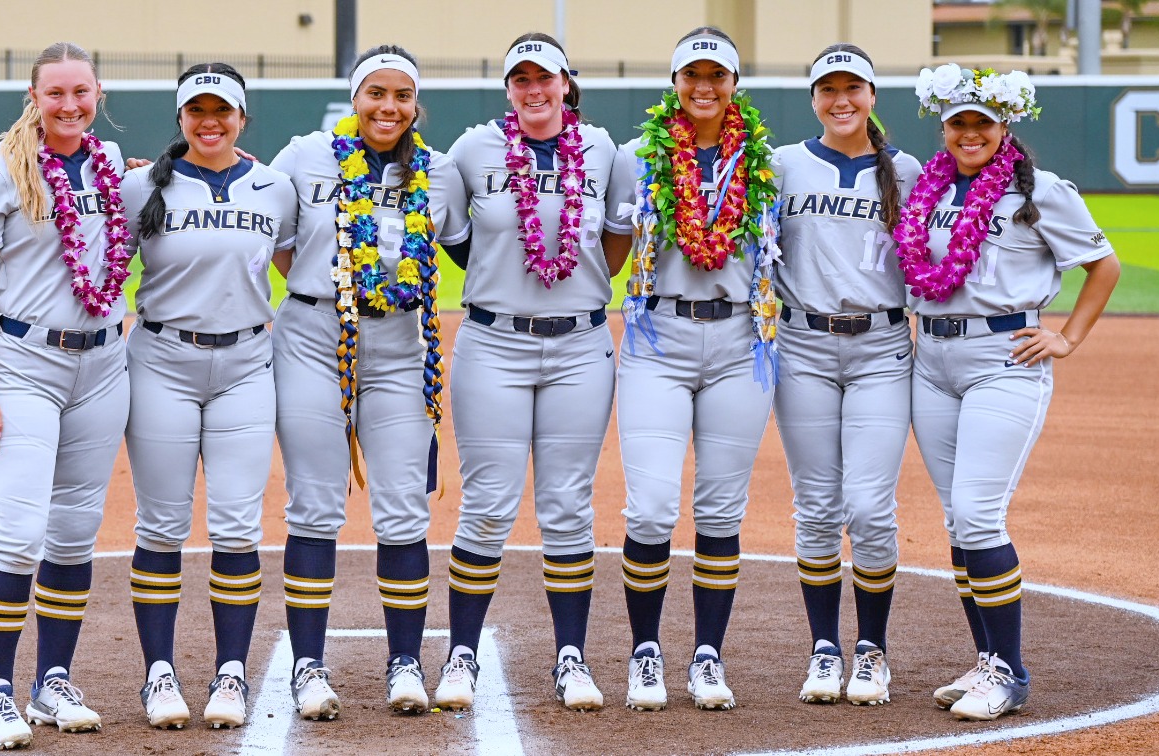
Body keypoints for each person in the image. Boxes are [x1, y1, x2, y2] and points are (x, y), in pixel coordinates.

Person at [898, 64, 1119, 720]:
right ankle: (987, 662)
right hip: (931, 358)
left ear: (1005, 126)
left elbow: (1103, 265)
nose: (970, 133)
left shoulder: (1041, 191)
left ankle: (1012, 673)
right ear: (944, 126)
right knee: (957, 521)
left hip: (1004, 356)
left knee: (977, 513)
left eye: (982, 123)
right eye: (959, 122)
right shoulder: (930, 189)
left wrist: (1068, 338)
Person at [267, 44, 469, 720]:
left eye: (402, 96)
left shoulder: (439, 173)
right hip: (313, 339)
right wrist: (331, 295)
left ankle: (405, 664)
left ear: (416, 105)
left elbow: (470, 243)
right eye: (375, 93)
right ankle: (308, 667)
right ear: (355, 98)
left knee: (404, 507)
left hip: (398, 345)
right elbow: (278, 239)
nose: (388, 107)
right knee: (315, 507)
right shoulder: (304, 156)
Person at [432, 32, 629, 714]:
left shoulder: (603, 150)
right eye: (521, 79)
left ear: (566, 83)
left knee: (568, 506)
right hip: (493, 343)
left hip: (579, 343)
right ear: (509, 87)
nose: (533, 89)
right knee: (487, 507)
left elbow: (615, 240)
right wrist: (506, 283)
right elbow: (457, 239)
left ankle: (571, 657)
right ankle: (462, 654)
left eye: (544, 78)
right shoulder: (471, 150)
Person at [0, 41, 130, 749]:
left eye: (81, 92)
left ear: (99, 94)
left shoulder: (116, 168)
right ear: (34, 97)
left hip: (102, 368)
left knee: (74, 533)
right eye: (54, 93)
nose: (69, 105)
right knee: (19, 534)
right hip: (24, 364)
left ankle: (51, 681)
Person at [119, 64, 297, 730]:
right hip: (161, 360)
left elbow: (294, 268)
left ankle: (231, 674)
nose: (210, 121)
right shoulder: (141, 184)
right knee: (161, 525)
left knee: (236, 526)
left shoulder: (276, 188)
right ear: (181, 118)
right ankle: (158, 674)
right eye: (196, 110)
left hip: (248, 364)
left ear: (242, 119)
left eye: (222, 110)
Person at [609, 26, 780, 712]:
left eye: (717, 76)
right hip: (658, 337)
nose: (704, 87)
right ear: (674, 83)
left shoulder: (769, 162)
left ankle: (708, 654)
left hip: (741, 339)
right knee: (650, 507)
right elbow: (608, 245)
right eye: (692, 75)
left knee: (719, 507)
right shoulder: (634, 157)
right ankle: (646, 651)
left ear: (734, 84)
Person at [771, 44, 922, 707]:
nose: (841, 100)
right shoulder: (781, 166)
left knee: (869, 507)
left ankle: (872, 650)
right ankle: (825, 649)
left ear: (871, 96)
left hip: (882, 348)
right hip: (802, 346)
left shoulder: (909, 171)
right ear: (813, 98)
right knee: (816, 509)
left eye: (852, 88)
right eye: (828, 89)